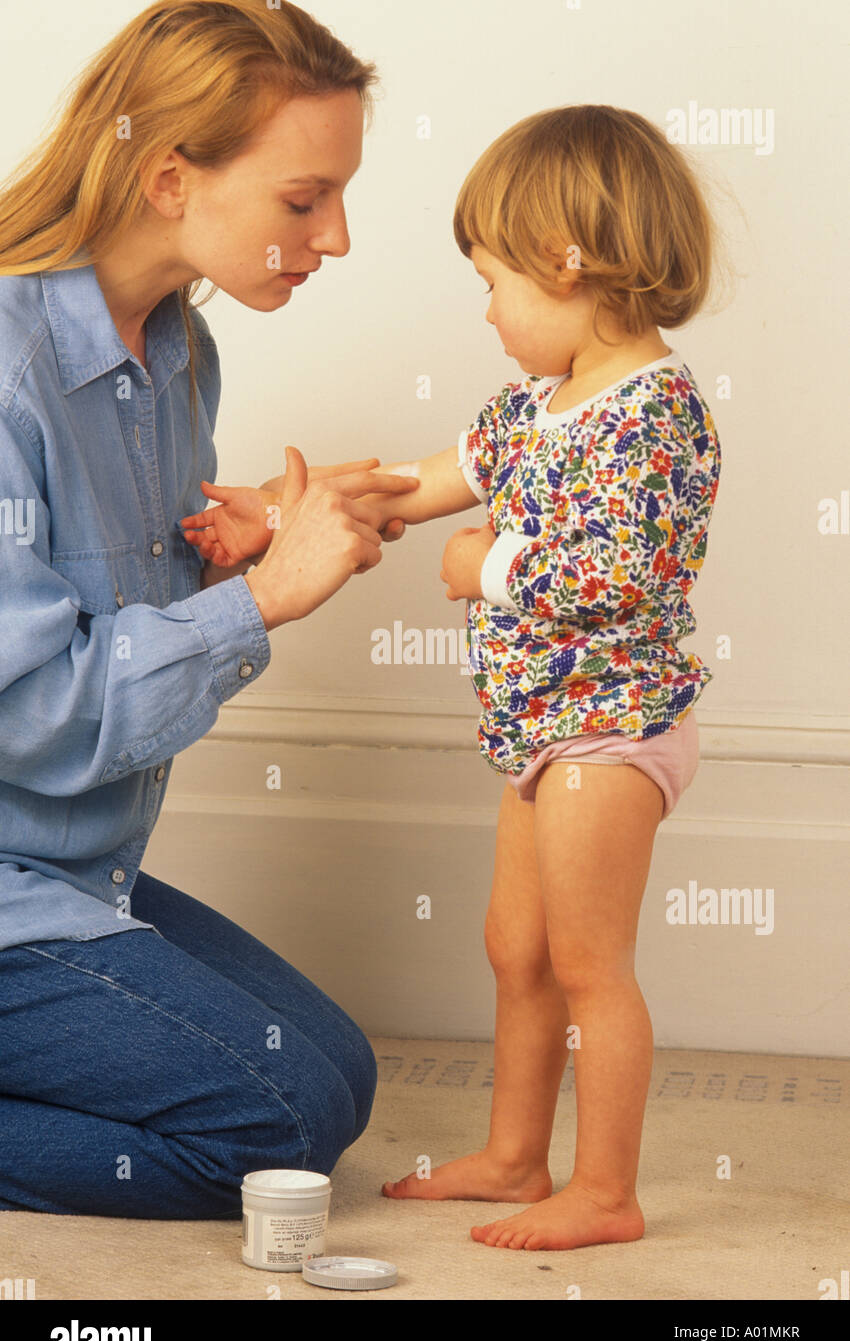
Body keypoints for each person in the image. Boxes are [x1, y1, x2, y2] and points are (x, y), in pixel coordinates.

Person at [187, 104, 723, 1252]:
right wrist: (275, 510)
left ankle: (607, 1188)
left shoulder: (656, 414)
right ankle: (517, 1153)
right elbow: (411, 481)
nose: (484, 310)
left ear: (566, 262)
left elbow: (628, 572)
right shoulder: (534, 406)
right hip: (538, 729)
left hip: (610, 729)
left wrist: (493, 563)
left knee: (588, 963)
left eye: (493, 283)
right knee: (513, 947)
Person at [0, 0, 419, 1217]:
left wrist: (247, 553)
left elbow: (127, 621)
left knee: (336, 1075)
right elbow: (31, 714)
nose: (335, 236)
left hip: (76, 866)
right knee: (278, 1121)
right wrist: (271, 601)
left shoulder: (182, 353)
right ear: (171, 176)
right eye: (304, 199)